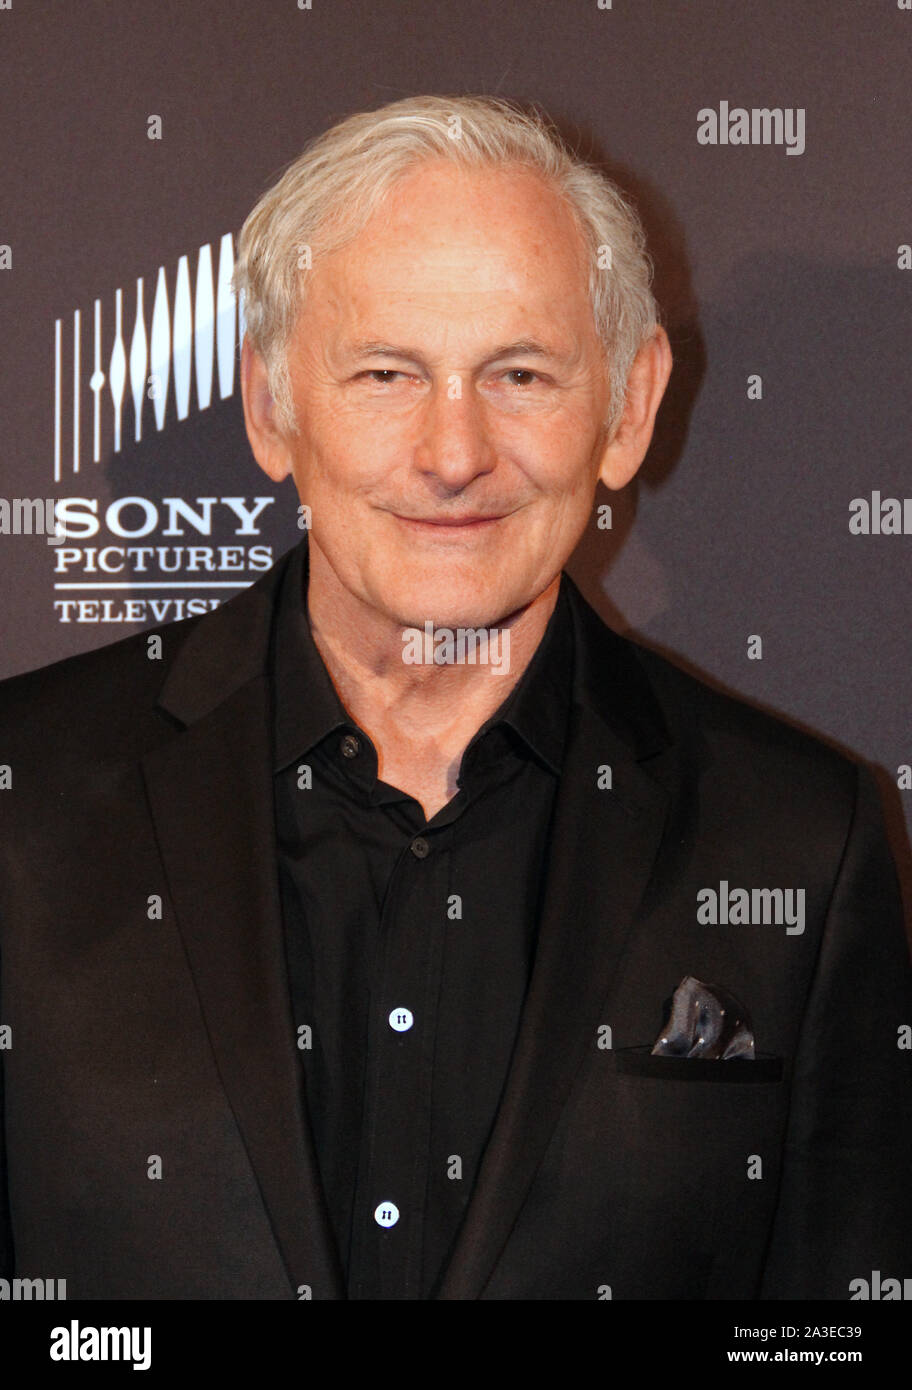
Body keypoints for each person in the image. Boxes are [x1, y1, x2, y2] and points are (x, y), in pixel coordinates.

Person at [0, 94, 909, 1301]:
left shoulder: (801, 836)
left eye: (520, 372)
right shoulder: (23, 800)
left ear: (630, 408)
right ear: (271, 405)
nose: (452, 453)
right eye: (386, 371)